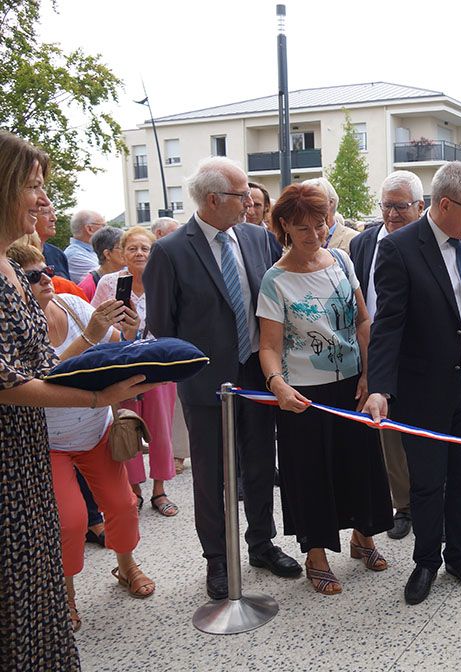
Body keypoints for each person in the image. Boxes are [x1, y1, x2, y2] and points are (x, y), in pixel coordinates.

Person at [0, 130, 156, 671]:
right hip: (25, 448)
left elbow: (43, 364)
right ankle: (61, 603)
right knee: (56, 537)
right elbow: (7, 381)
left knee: (117, 507)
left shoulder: (33, 286)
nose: (46, 201)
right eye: (35, 187)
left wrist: (109, 346)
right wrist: (99, 396)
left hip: (54, 441)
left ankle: (121, 569)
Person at [143, 157, 298, 602]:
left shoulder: (255, 238)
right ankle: (218, 558)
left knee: (258, 464)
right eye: (241, 195)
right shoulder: (170, 251)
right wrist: (190, 371)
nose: (251, 203)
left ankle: (261, 544)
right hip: (206, 384)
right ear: (213, 199)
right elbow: (162, 327)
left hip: (256, 373)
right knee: (212, 475)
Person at [362, 161, 461, 606]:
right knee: (427, 482)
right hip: (424, 390)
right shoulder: (400, 248)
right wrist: (380, 387)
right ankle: (426, 560)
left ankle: (459, 555)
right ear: (444, 204)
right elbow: (390, 324)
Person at [257, 182, 392, 595]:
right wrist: (277, 384)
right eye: (303, 228)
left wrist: (370, 376)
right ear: (283, 226)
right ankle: (315, 551)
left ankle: (363, 536)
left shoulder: (341, 260)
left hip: (352, 384)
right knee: (310, 472)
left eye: (321, 224)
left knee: (360, 465)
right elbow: (268, 346)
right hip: (303, 394)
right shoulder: (275, 280)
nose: (314, 235)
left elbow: (363, 322)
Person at [13, 245, 154, 629]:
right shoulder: (16, 324)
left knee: (123, 504)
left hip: (94, 428)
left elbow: (109, 348)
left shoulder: (70, 304)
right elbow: (36, 379)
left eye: (46, 270)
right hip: (46, 440)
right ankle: (66, 595)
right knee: (70, 521)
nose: (46, 279)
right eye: (32, 276)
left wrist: (123, 329)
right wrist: (91, 337)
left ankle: (126, 568)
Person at [350, 170, 425, 540]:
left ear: (419, 207)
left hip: (418, 353)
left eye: (400, 207)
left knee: (420, 431)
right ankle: (404, 505)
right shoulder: (363, 244)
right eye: (386, 206)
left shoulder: (425, 242)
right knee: (388, 434)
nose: (392, 215)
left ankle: (426, 499)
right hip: (376, 351)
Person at [94, 226, 179, 516]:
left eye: (145, 248)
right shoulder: (109, 282)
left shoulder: (164, 280)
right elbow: (96, 323)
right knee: (126, 426)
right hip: (123, 365)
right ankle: (134, 489)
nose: (139, 253)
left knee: (161, 429)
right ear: (122, 253)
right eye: (133, 248)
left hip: (158, 364)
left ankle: (160, 490)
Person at [303, 177, 358, 255]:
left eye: (315, 203)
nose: (305, 209)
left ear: (331, 203)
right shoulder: (295, 240)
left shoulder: (353, 239)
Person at [78, 226, 123, 301]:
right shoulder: (87, 286)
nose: (127, 251)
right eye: (122, 247)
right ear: (107, 254)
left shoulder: (128, 277)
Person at [64, 209, 105, 283]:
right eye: (103, 226)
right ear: (89, 229)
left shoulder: (93, 251)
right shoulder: (75, 256)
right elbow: (106, 280)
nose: (106, 230)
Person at [36, 205, 70, 279]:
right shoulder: (15, 255)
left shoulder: (57, 255)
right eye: (46, 212)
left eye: (54, 212)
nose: (54, 218)